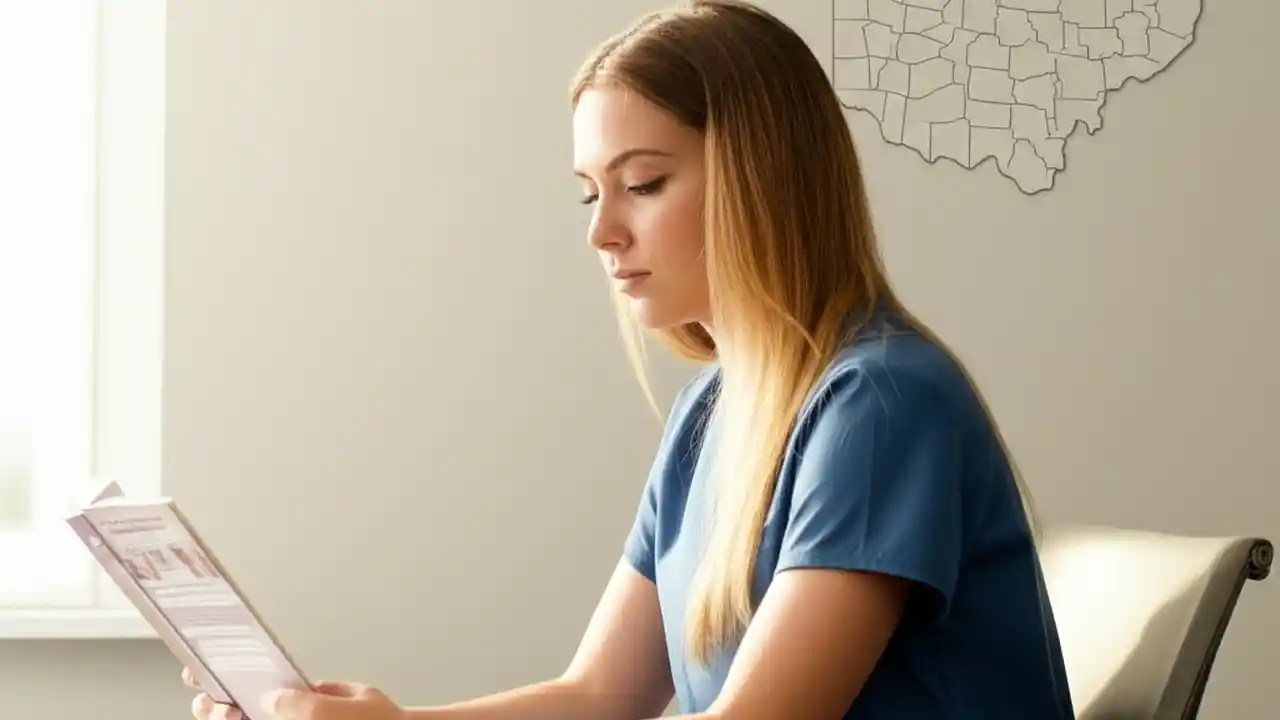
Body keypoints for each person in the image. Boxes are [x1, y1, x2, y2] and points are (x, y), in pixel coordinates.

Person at [186, 1, 1075, 718]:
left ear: (762, 181)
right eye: (590, 193)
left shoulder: (882, 404)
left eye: (643, 184)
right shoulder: (708, 414)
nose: (603, 232)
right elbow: (602, 696)